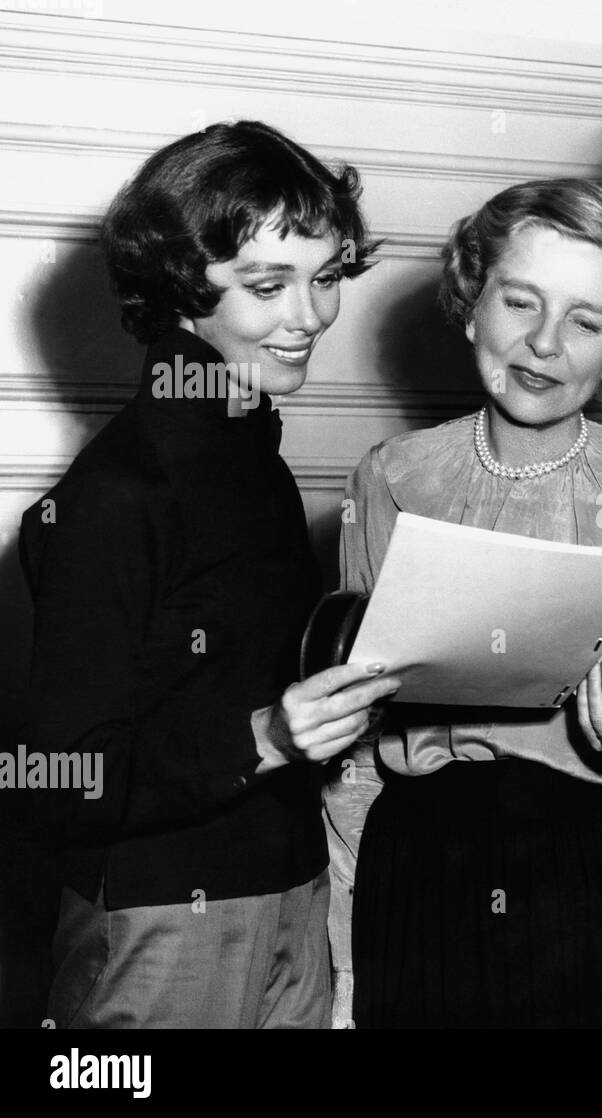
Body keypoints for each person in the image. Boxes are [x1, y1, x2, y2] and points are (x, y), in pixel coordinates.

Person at [324, 179, 602, 1029]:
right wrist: (344, 953)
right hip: (424, 870)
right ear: (472, 305)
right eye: (520, 303)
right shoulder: (392, 478)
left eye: (586, 321)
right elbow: (354, 746)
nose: (544, 344)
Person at [20, 121, 400, 1029]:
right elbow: (57, 776)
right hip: (158, 920)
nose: (308, 318)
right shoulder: (121, 489)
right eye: (268, 286)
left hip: (290, 886)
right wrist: (267, 735)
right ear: (181, 289)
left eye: (326, 278)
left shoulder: (247, 444)